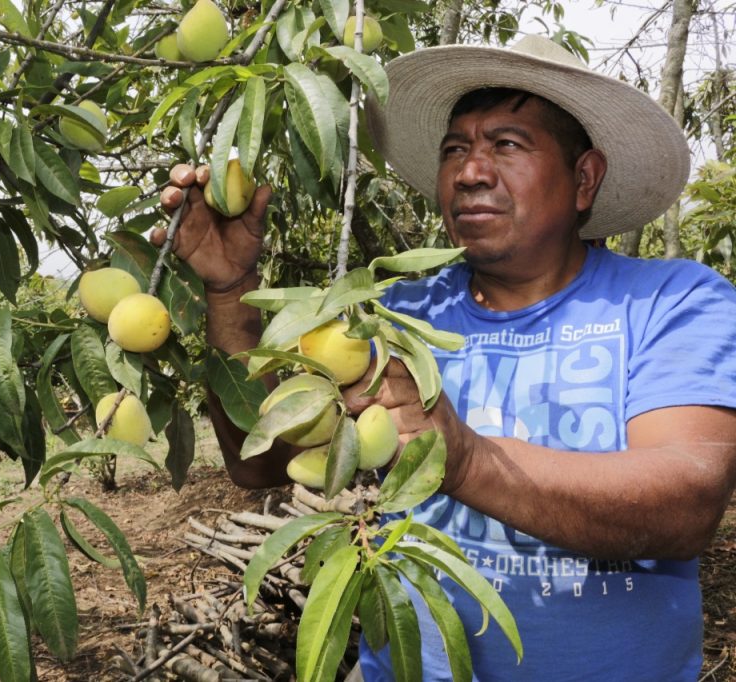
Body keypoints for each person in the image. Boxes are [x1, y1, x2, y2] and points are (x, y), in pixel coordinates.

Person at [156, 35, 736, 680]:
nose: (470, 172)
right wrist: (231, 291)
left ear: (584, 178)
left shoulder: (670, 300)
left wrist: (462, 458)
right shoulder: (393, 312)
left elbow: (685, 504)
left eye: (507, 145)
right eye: (455, 149)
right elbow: (263, 462)